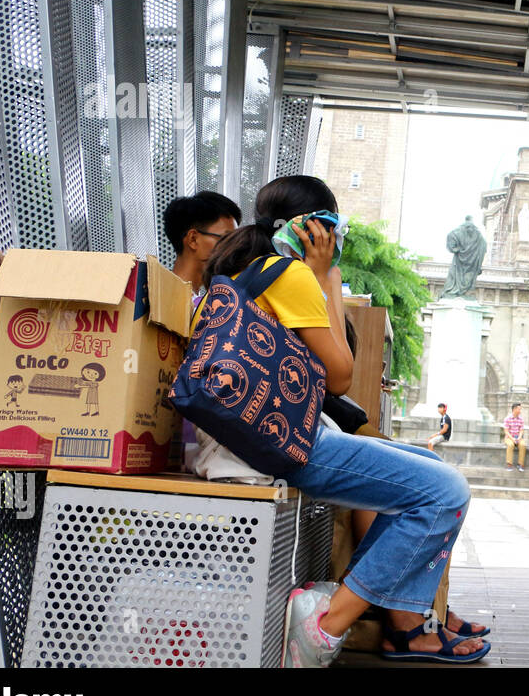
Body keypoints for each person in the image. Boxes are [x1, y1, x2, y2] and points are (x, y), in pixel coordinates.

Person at [197, 175, 487, 666]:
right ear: (313, 228)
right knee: (446, 492)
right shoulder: (288, 275)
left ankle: (408, 624)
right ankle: (328, 624)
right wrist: (326, 276)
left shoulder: (242, 271)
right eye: (334, 225)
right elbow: (340, 376)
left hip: (242, 437)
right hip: (280, 441)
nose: (338, 238)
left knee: (420, 469)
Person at [163, 190, 242, 292]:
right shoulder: (163, 300)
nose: (234, 249)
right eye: (227, 239)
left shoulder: (203, 302)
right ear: (193, 239)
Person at [503, 402, 527, 471]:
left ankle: (520, 464)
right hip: (509, 437)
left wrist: (519, 437)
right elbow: (506, 431)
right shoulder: (507, 419)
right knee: (510, 445)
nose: (520, 411)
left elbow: (521, 430)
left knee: (523, 445)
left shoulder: (521, 419)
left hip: (518, 437)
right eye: (519, 409)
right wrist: (512, 439)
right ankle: (509, 464)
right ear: (514, 409)